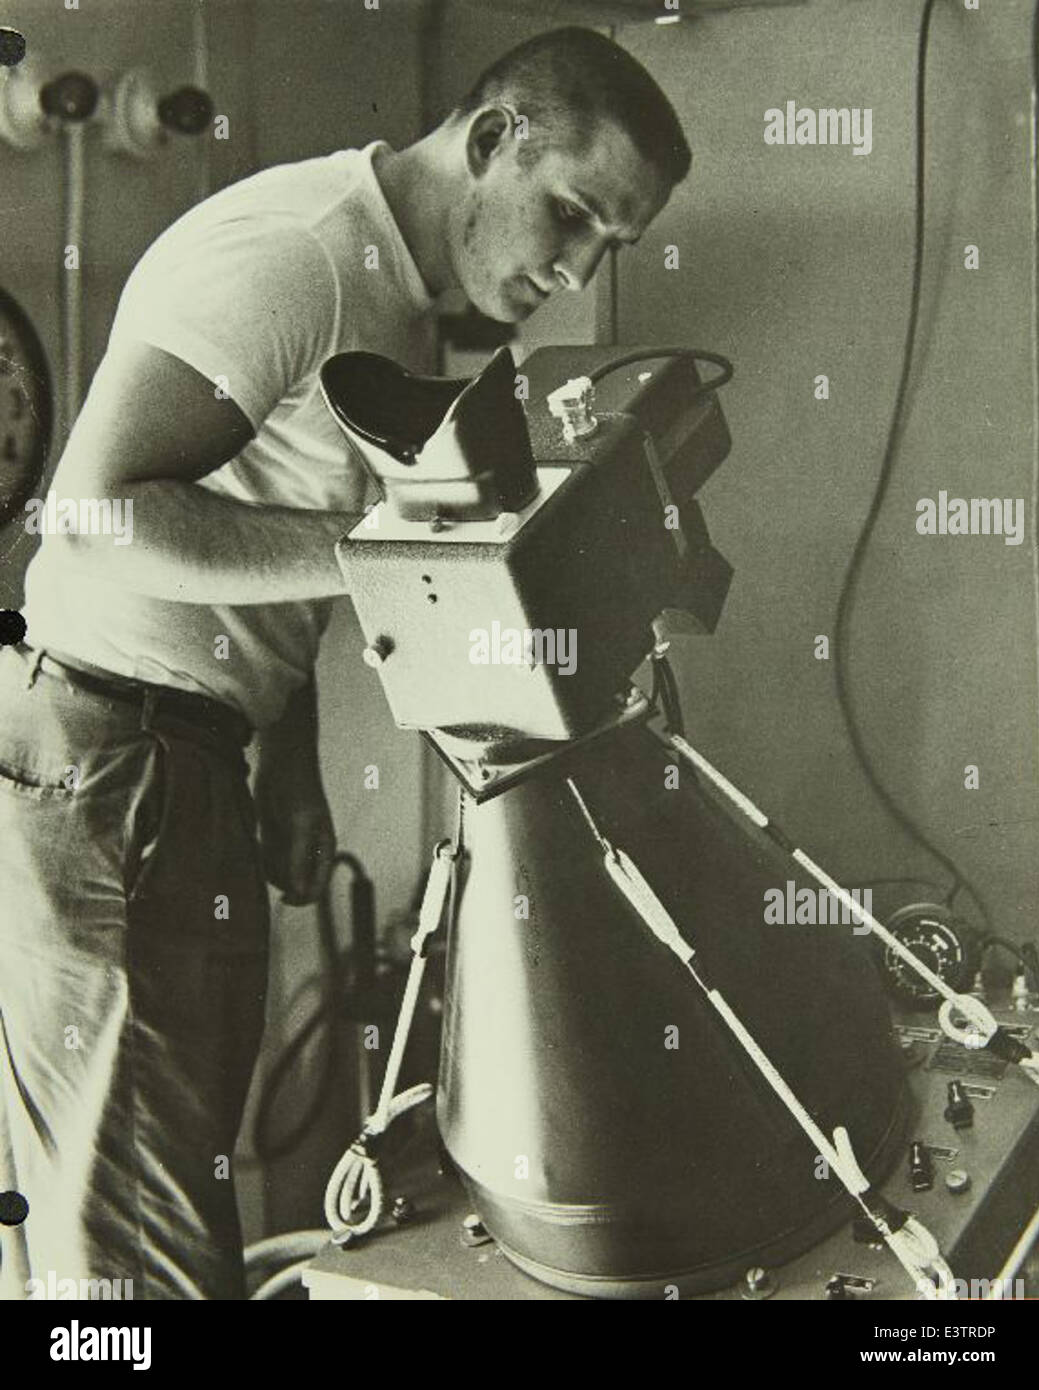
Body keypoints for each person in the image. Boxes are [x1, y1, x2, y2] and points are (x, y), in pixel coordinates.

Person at [0, 26, 691, 1300]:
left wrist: (288, 760)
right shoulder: (308, 255)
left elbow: (254, 511)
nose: (579, 269)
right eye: (574, 215)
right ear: (491, 140)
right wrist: (391, 546)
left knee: (148, 1201)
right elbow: (97, 511)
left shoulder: (394, 305)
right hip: (115, 762)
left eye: (614, 246)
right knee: (131, 1254)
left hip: (173, 753)